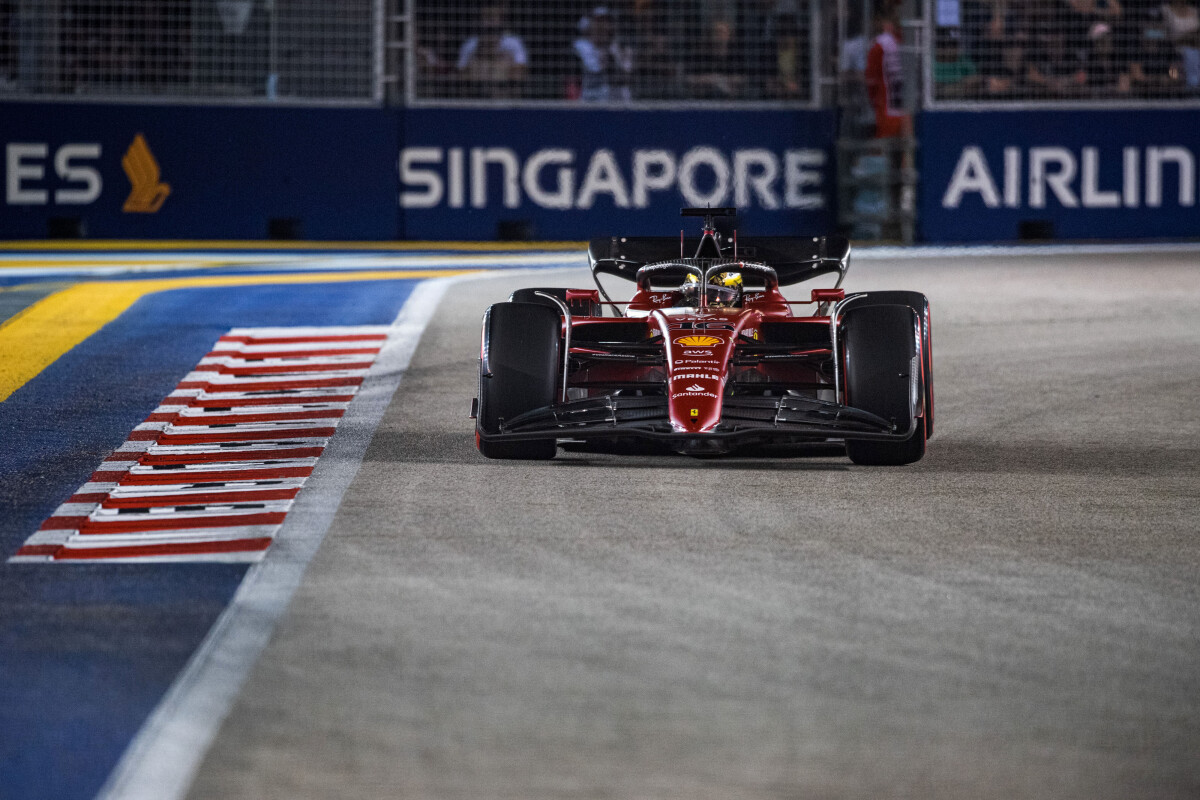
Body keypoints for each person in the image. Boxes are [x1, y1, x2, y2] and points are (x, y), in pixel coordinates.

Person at [455, 4, 529, 99]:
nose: (489, 21)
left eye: (493, 17)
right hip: (478, 84)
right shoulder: (470, 44)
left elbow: (521, 72)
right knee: (478, 65)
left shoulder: (513, 42)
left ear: (500, 19)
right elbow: (461, 74)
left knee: (501, 66)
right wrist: (481, 56)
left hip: (503, 86)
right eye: (486, 17)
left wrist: (497, 58)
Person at [570, 5, 633, 101]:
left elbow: (627, 76)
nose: (602, 26)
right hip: (589, 101)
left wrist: (613, 56)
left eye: (606, 21)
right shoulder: (580, 48)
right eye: (598, 21)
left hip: (618, 103)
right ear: (589, 25)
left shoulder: (620, 48)